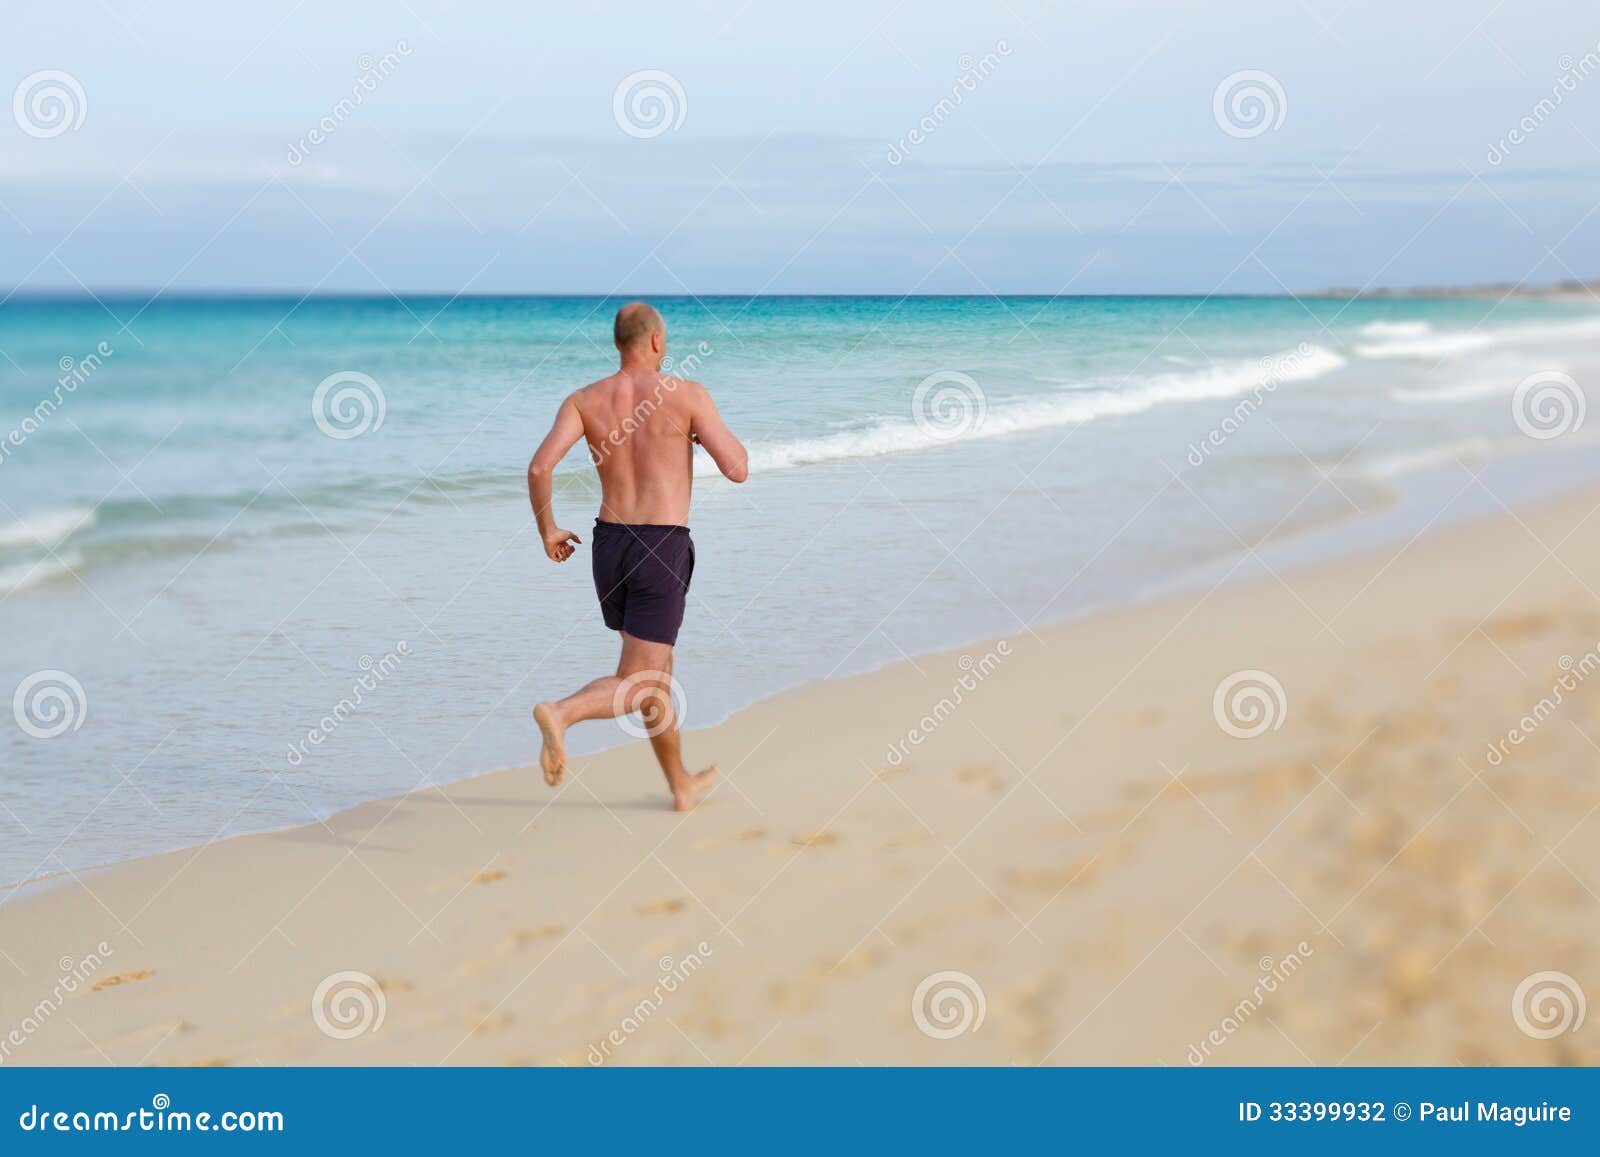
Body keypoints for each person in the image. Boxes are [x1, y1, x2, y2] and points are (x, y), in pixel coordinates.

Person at [527, 302, 748, 811]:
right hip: (661, 548)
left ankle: (681, 784)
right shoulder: (687, 395)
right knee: (639, 680)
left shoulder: (584, 400)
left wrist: (548, 530)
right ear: (655, 341)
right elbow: (736, 468)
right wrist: (693, 431)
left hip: (608, 546)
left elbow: (540, 468)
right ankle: (562, 713)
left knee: (657, 677)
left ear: (617, 343)